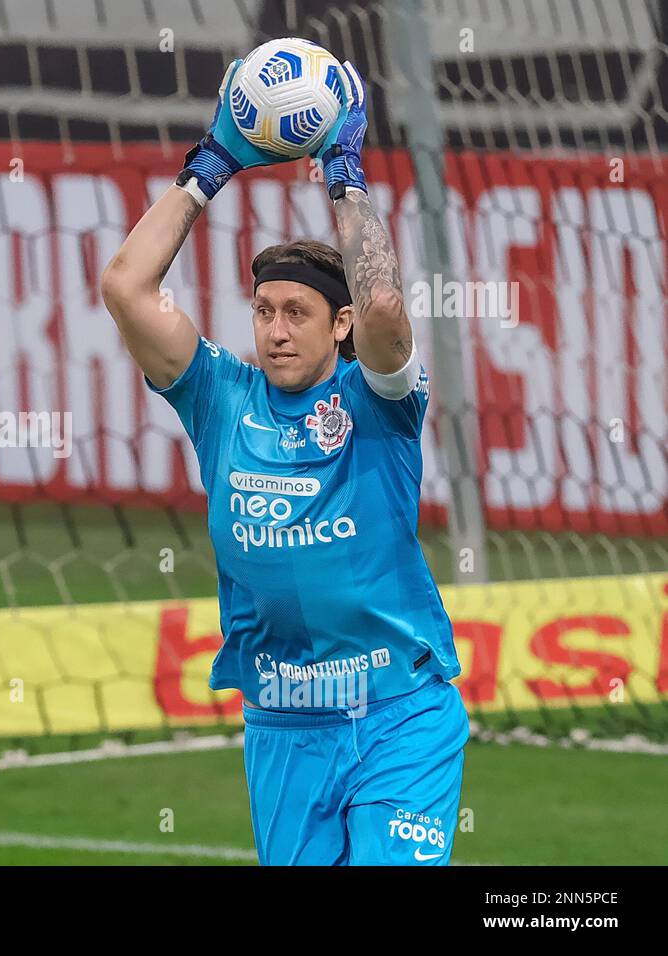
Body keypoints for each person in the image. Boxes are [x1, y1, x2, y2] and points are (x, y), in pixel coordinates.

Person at [100, 58, 469, 865]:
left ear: (336, 327)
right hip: (282, 724)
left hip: (398, 714)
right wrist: (213, 165)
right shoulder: (220, 398)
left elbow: (380, 305)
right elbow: (127, 286)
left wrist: (344, 176)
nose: (274, 329)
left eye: (297, 313)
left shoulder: (379, 402)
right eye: (263, 311)